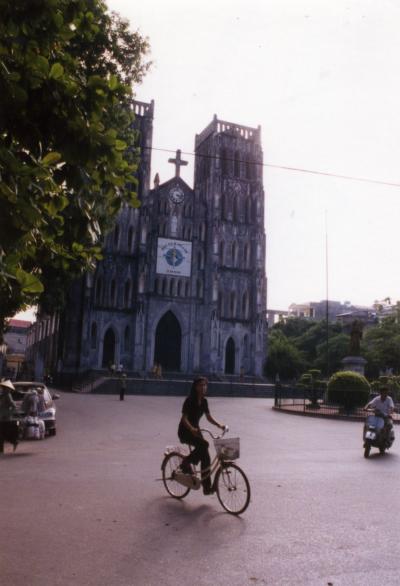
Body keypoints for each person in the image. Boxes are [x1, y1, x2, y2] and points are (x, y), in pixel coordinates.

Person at [178, 376, 225, 495]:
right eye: (201, 385)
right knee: (205, 444)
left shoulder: (204, 401)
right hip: (185, 430)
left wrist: (220, 425)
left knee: (206, 458)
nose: (204, 387)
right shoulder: (189, 400)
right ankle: (186, 462)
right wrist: (191, 428)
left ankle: (206, 487)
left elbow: (209, 417)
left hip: (195, 430)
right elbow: (184, 418)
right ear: (195, 387)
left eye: (205, 385)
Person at [0, 379, 19, 453]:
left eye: (4, 387)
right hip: (1, 417)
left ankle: (13, 442)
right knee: (2, 435)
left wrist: (8, 413)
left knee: (2, 435)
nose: (3, 389)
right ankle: (13, 442)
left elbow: (13, 406)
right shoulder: (3, 395)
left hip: (6, 418)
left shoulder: (8, 395)